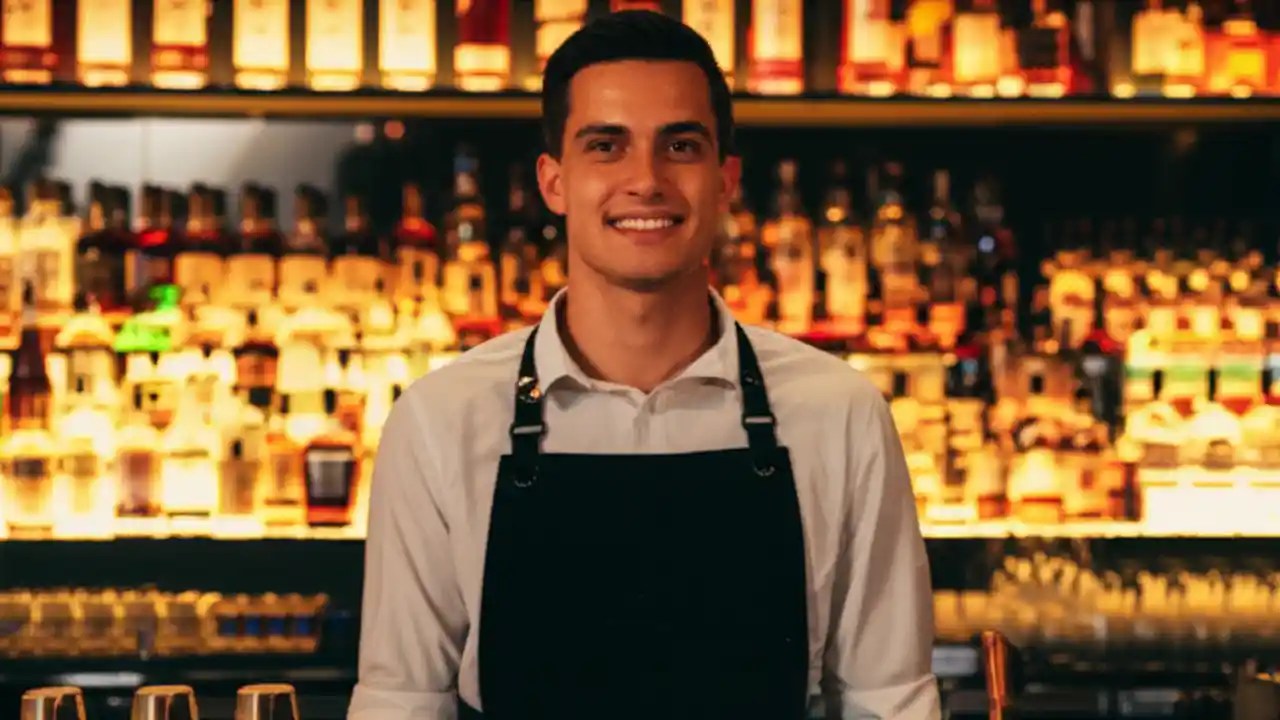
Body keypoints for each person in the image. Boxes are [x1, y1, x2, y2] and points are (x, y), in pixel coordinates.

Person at [349, 10, 940, 720]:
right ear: (554, 182)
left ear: (725, 180)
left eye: (680, 146)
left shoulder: (839, 413)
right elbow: (402, 701)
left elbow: (889, 700)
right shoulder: (441, 420)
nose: (646, 180)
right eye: (606, 146)